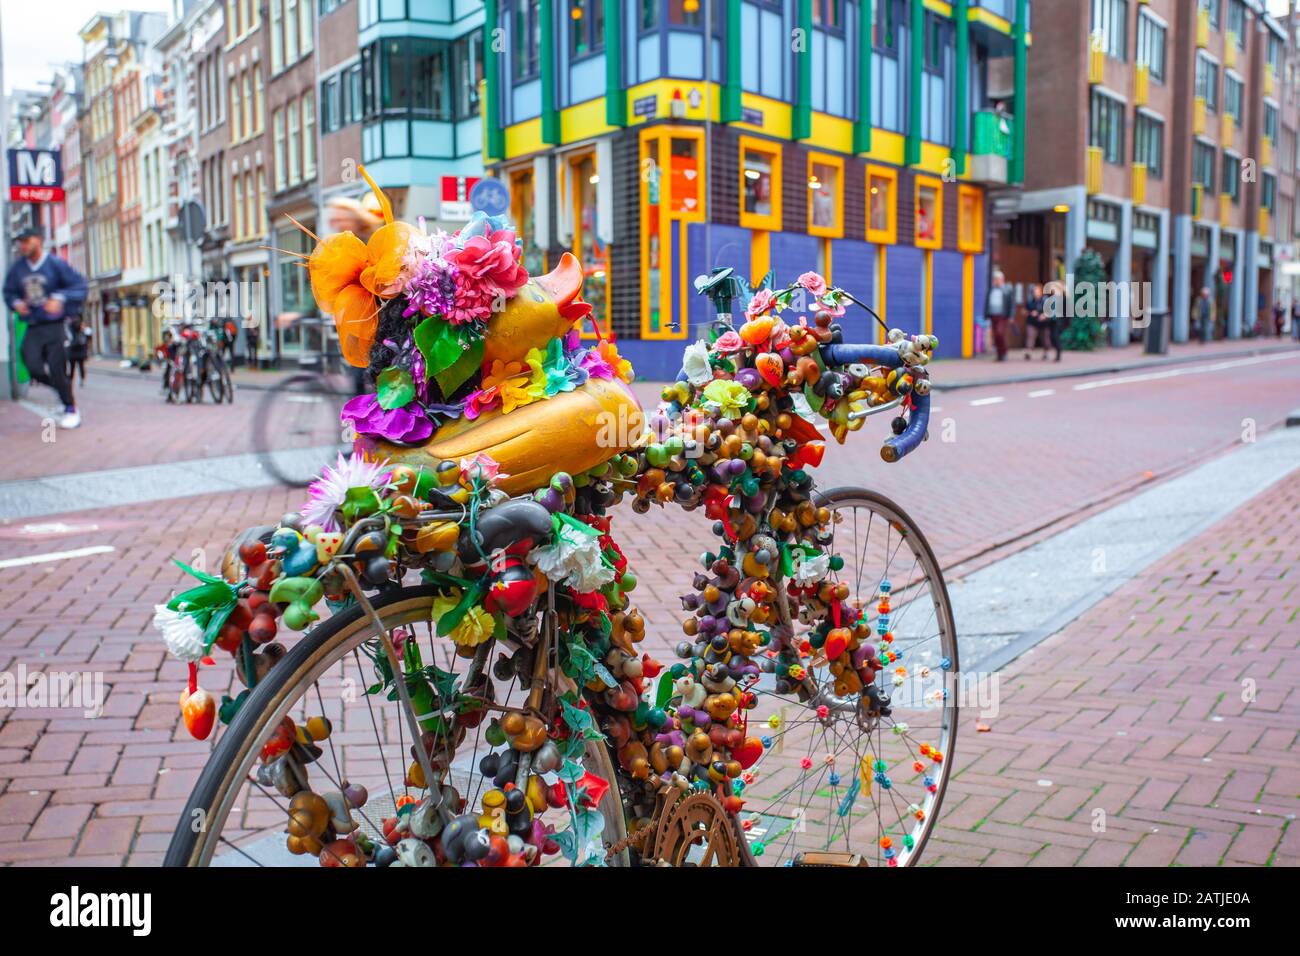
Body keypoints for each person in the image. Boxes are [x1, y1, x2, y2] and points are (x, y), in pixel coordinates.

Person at [3, 227, 88, 428]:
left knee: (57, 366)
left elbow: (79, 286)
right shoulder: (18, 269)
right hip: (33, 324)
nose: (23, 245)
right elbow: (8, 291)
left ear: (39, 241)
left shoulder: (55, 265)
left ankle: (70, 408)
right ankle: (60, 389)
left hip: (54, 325)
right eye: (20, 242)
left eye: (27, 241)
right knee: (31, 365)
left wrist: (59, 298)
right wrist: (15, 303)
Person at [985, 269, 1013, 361]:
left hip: (1002, 315)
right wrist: (986, 314)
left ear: (1002, 280)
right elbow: (987, 303)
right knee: (995, 336)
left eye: (998, 279)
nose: (996, 281)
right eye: (995, 279)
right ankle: (999, 354)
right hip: (993, 315)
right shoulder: (991, 289)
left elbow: (1011, 304)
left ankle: (1004, 352)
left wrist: (1011, 316)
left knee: (999, 333)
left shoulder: (1007, 290)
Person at [1023, 283, 1049, 360]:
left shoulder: (1045, 300)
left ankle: (1046, 352)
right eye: (1034, 292)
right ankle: (1028, 351)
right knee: (1030, 336)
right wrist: (1029, 313)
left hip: (1043, 323)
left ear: (1041, 292)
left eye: (1037, 291)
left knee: (1045, 338)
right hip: (1032, 322)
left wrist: (1043, 315)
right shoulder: (1030, 300)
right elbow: (1025, 310)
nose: (1035, 293)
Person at [66, 316, 91, 386]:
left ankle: (70, 381)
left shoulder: (70, 328)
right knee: (81, 366)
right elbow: (88, 338)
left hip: (72, 351)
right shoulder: (83, 329)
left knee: (72, 367)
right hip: (81, 351)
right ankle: (82, 380)